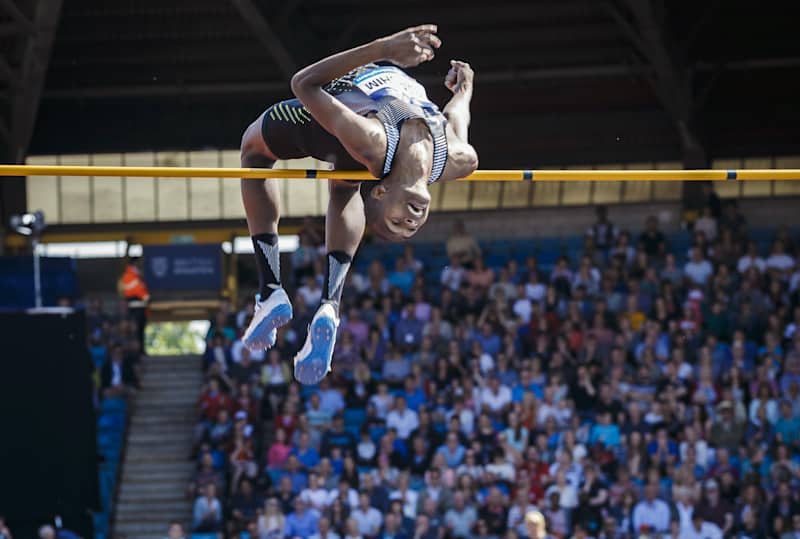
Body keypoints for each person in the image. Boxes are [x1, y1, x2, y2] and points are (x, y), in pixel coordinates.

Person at [239, 24, 478, 385]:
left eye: (397, 223)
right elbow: (455, 120)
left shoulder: (372, 143)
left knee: (253, 151)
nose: (411, 222)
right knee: (346, 183)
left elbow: (304, 84)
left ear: (381, 193)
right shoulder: (459, 160)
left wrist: (383, 48)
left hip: (339, 116)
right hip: (365, 123)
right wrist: (465, 90)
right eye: (409, 226)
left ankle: (271, 290)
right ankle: (329, 306)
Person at [118, 256, 150, 347]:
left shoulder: (137, 275)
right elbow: (137, 290)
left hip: (141, 308)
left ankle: (141, 350)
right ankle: (137, 351)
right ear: (134, 263)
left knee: (140, 330)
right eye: (139, 263)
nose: (141, 265)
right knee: (135, 330)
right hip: (134, 309)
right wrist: (145, 297)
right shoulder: (129, 275)